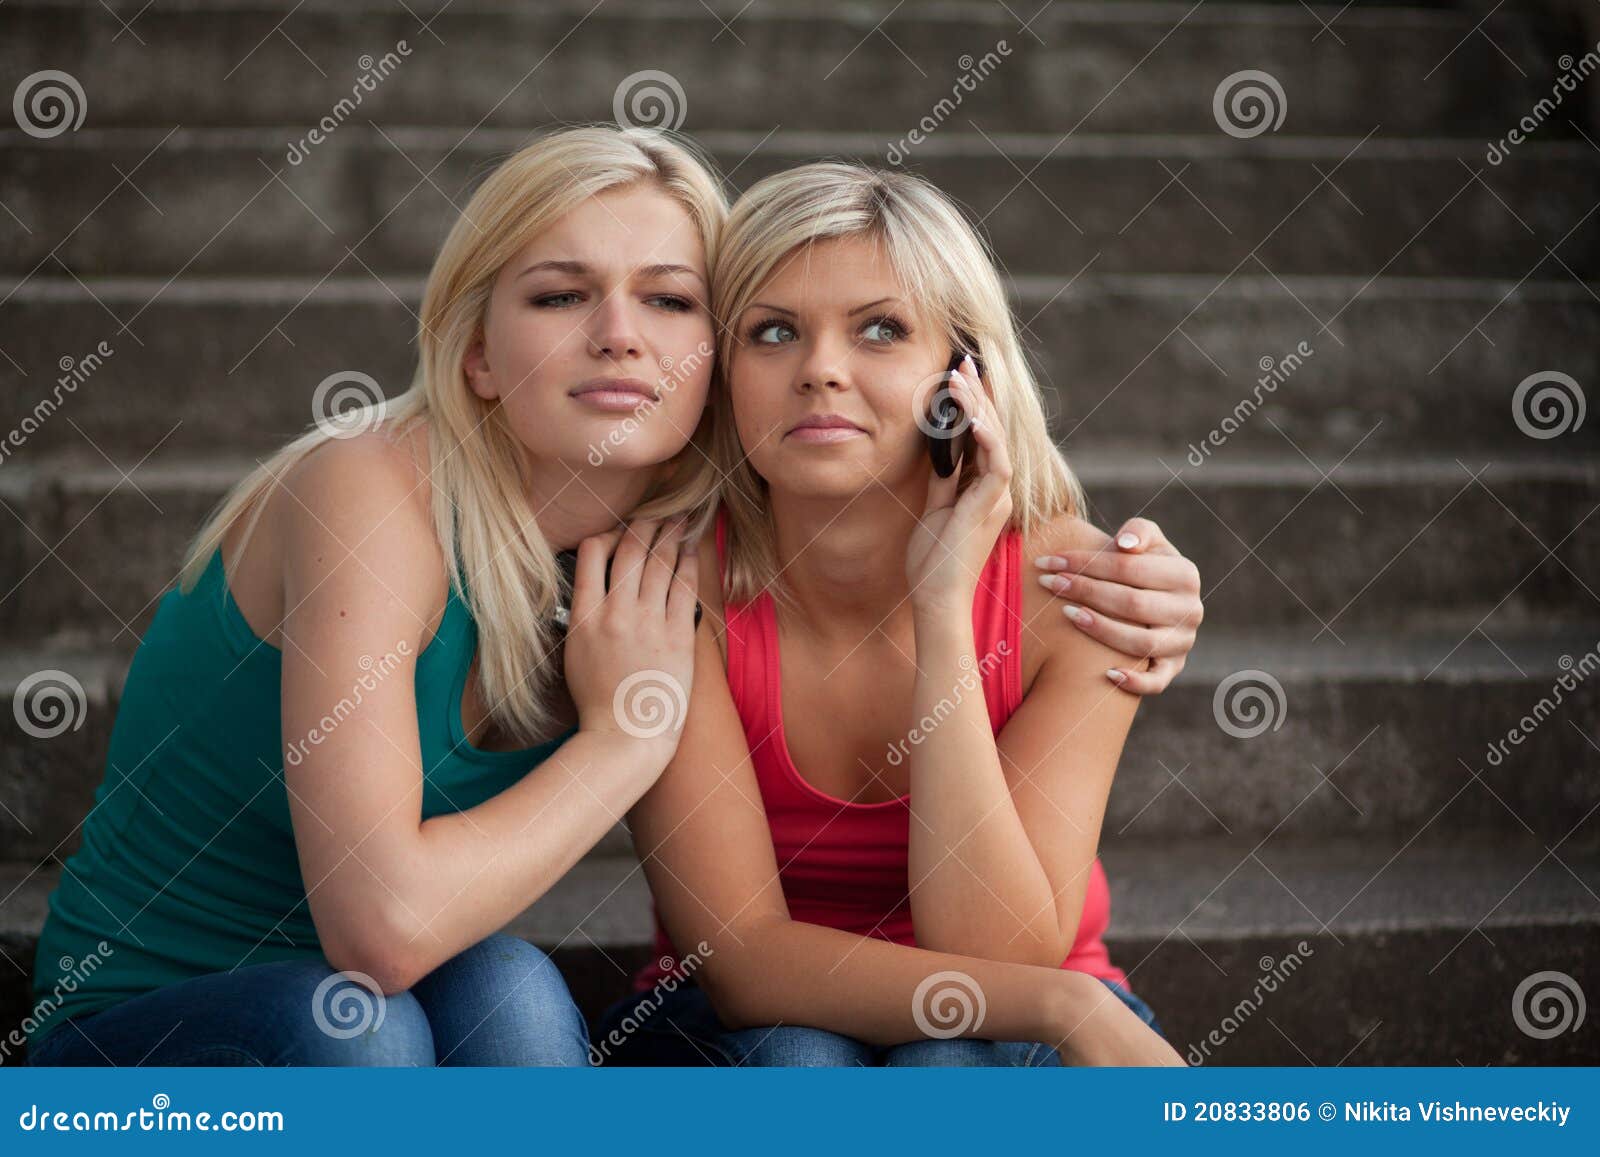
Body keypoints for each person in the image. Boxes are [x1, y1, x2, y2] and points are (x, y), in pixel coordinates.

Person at [25, 128, 1198, 1068]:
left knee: (520, 991)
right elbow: (379, 932)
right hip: (164, 1017)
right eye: (558, 296)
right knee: (371, 1034)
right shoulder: (374, 485)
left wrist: (1085, 592)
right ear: (477, 353)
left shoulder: (664, 541)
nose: (620, 338)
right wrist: (627, 731)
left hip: (414, 982)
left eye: (673, 301)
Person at [599, 162, 1202, 1066]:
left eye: (881, 329)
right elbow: (746, 965)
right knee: (799, 1061)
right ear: (723, 374)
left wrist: (942, 606)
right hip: (753, 1027)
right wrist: (1068, 1007)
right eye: (773, 332)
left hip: (1003, 1031)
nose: (821, 372)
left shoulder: (1075, 586)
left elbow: (993, 957)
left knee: (943, 1071)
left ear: (963, 374)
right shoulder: (670, 582)